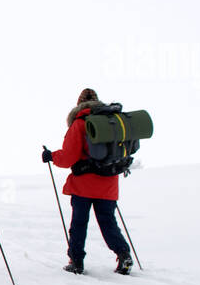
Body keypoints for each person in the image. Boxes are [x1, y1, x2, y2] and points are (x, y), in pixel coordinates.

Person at [42, 88, 133, 275]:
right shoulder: (111, 122)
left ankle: (76, 261)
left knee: (79, 224)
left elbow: (69, 157)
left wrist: (51, 156)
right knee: (108, 223)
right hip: (108, 183)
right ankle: (123, 254)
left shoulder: (79, 123)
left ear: (79, 104)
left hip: (83, 184)